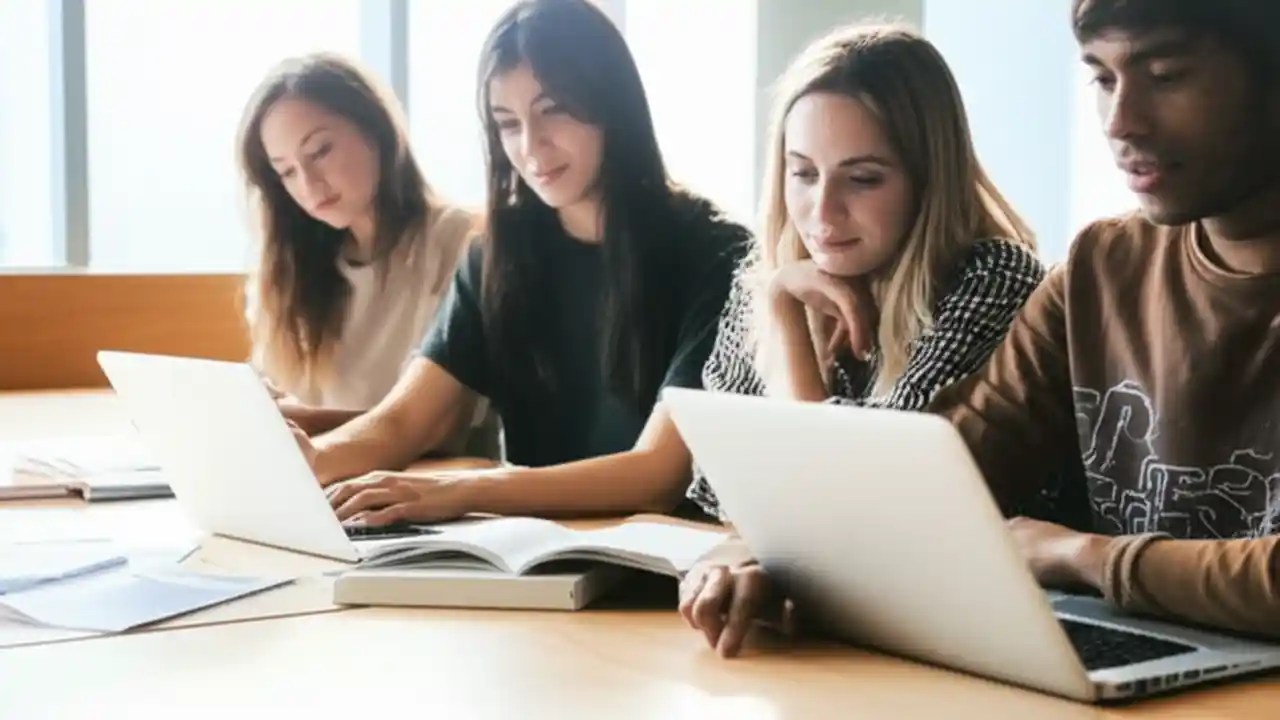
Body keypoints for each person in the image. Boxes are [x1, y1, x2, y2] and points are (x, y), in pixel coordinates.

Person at [680, 0, 1280, 657]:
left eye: (1165, 76)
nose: (1121, 122)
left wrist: (1085, 557)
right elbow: (948, 471)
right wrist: (763, 555)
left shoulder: (1018, 277)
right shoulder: (1098, 272)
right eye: (1103, 79)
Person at [304, 0, 749, 526]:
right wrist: (304, 462)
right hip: (534, 551)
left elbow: (656, 476)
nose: (531, 146)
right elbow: (402, 422)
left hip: (667, 563)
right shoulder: (497, 254)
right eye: (507, 123)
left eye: (553, 110)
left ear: (610, 104)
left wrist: (464, 491)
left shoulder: (716, 254)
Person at [687, 23, 1045, 519]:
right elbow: (715, 485)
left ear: (929, 182)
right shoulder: (770, 270)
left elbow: (852, 506)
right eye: (804, 173)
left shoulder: (993, 278)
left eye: (862, 179)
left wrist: (786, 317)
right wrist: (777, 293)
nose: (823, 211)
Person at [238, 53, 482, 443]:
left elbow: (438, 422)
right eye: (285, 171)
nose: (308, 183)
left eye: (320, 151)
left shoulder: (457, 242)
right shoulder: (292, 270)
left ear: (375, 129)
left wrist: (298, 422)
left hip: (422, 484)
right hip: (318, 481)